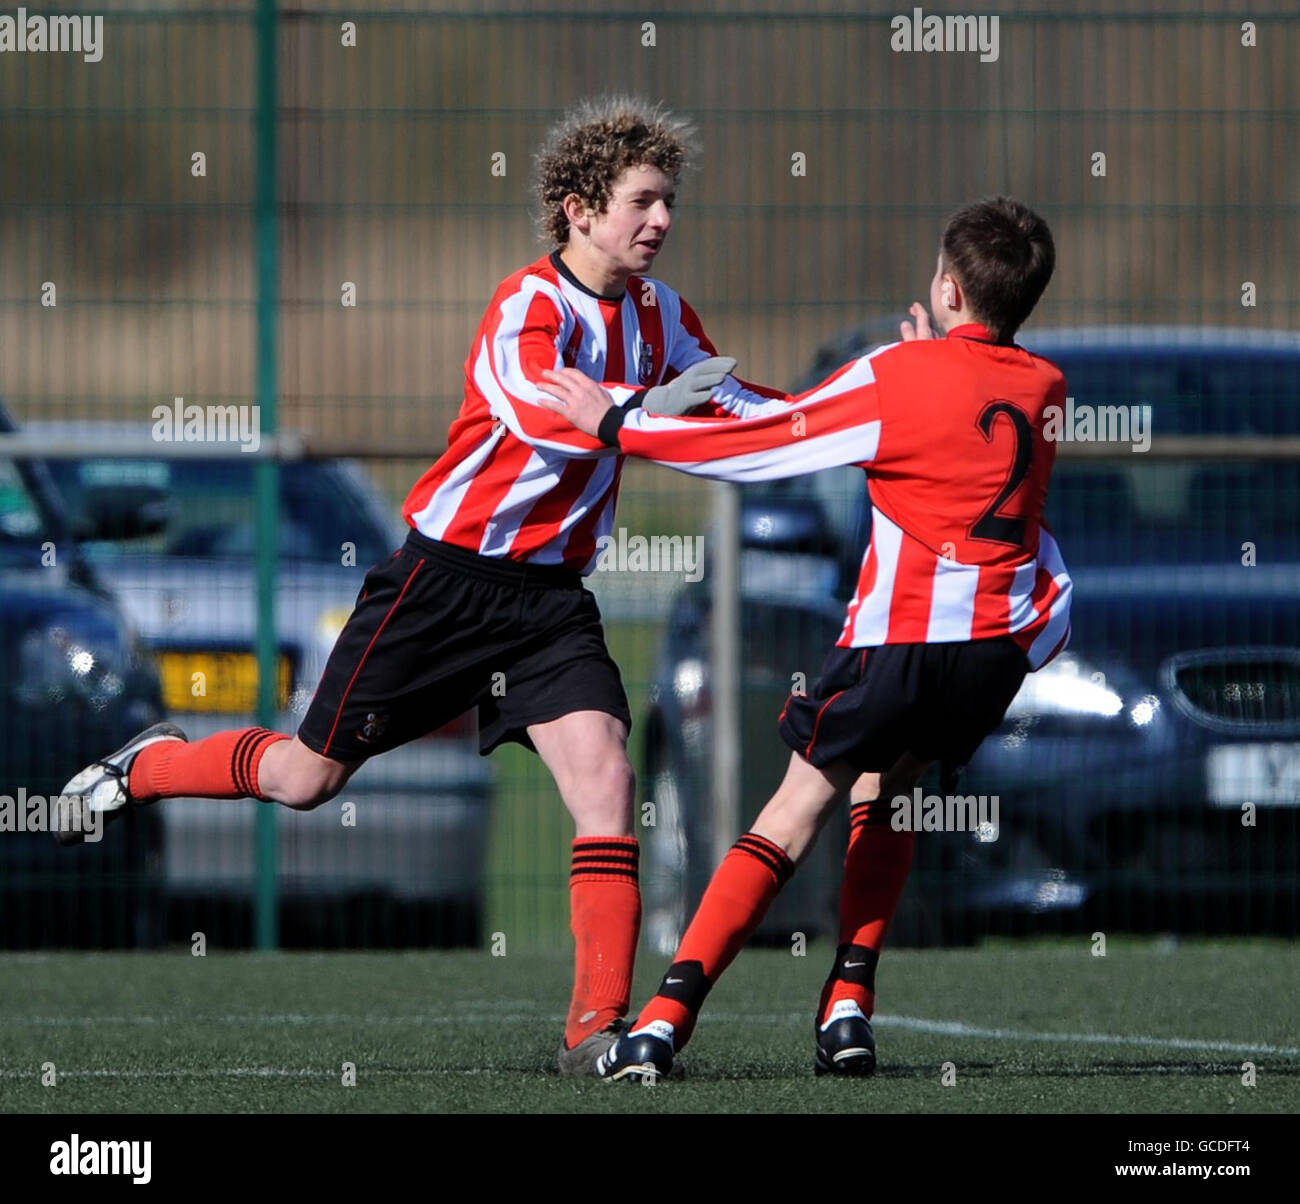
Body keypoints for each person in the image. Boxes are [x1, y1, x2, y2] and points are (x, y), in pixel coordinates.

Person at [55, 95, 793, 1076]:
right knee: (306, 777)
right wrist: (635, 413)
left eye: (668, 204)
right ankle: (148, 766)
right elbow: (540, 411)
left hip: (548, 604)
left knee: (606, 781)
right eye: (641, 202)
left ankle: (595, 1035)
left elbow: (743, 409)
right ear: (576, 209)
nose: (660, 221)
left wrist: (869, 413)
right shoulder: (526, 305)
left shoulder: (662, 318)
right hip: (442, 584)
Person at [535, 196, 1072, 1081]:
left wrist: (614, 423)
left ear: (945, 286)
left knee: (792, 811)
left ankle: (662, 1023)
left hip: (900, 643)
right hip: (989, 656)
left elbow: (761, 446)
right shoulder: (1046, 387)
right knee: (888, 789)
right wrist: (926, 358)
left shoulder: (892, 374)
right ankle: (849, 1008)